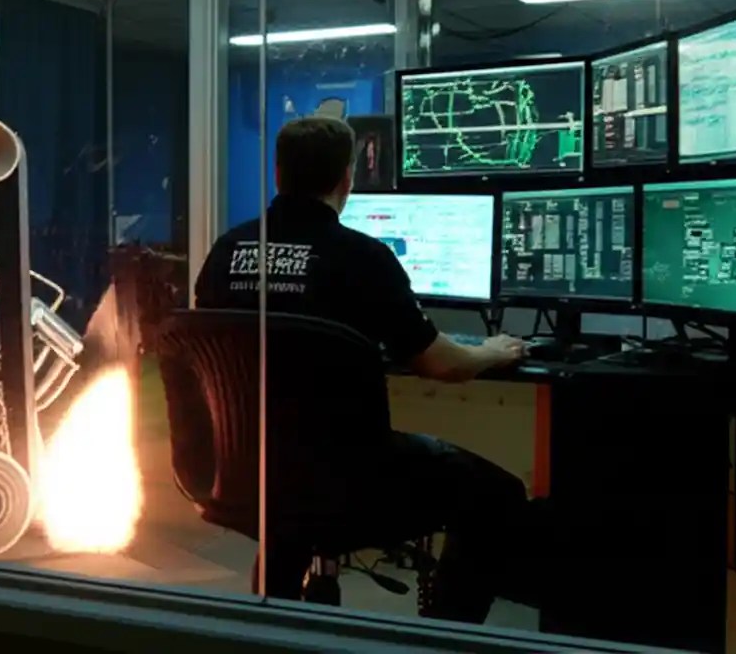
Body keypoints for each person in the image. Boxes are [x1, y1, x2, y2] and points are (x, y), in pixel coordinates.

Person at [194, 115, 545, 623]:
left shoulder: (228, 250)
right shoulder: (362, 258)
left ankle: (272, 627)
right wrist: (495, 350)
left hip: (243, 466)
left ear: (277, 173)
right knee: (498, 495)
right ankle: (440, 636)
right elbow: (441, 363)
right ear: (346, 179)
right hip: (347, 478)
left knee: (293, 495)